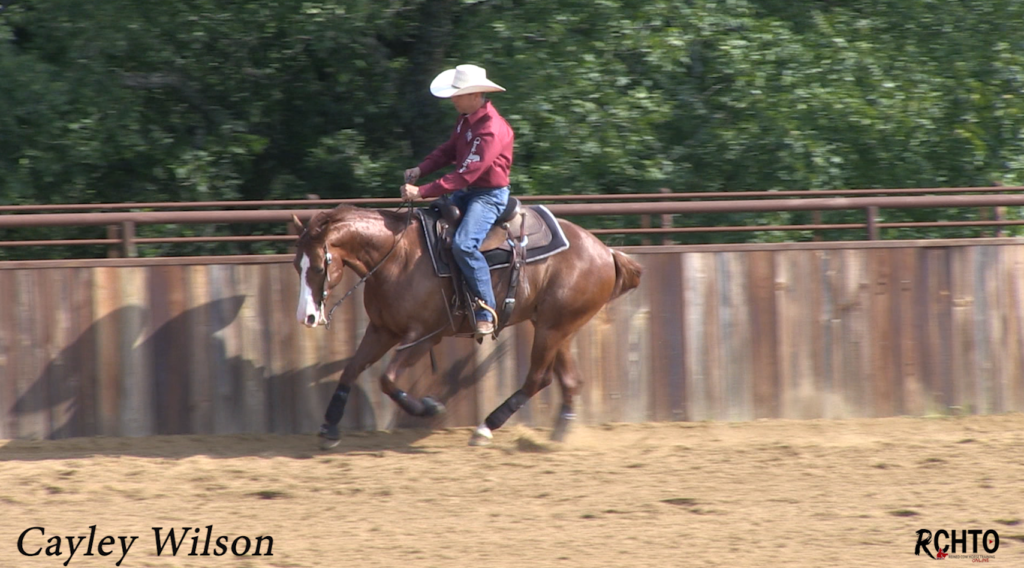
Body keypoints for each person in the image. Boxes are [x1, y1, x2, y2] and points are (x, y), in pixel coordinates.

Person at [401, 64, 514, 339]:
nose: (453, 98)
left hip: (488, 196)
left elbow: (466, 174)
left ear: (476, 95)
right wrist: (422, 168)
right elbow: (449, 150)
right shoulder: (466, 119)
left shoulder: (491, 130)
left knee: (464, 244)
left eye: (458, 93)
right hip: (468, 191)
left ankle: (486, 311)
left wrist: (422, 191)